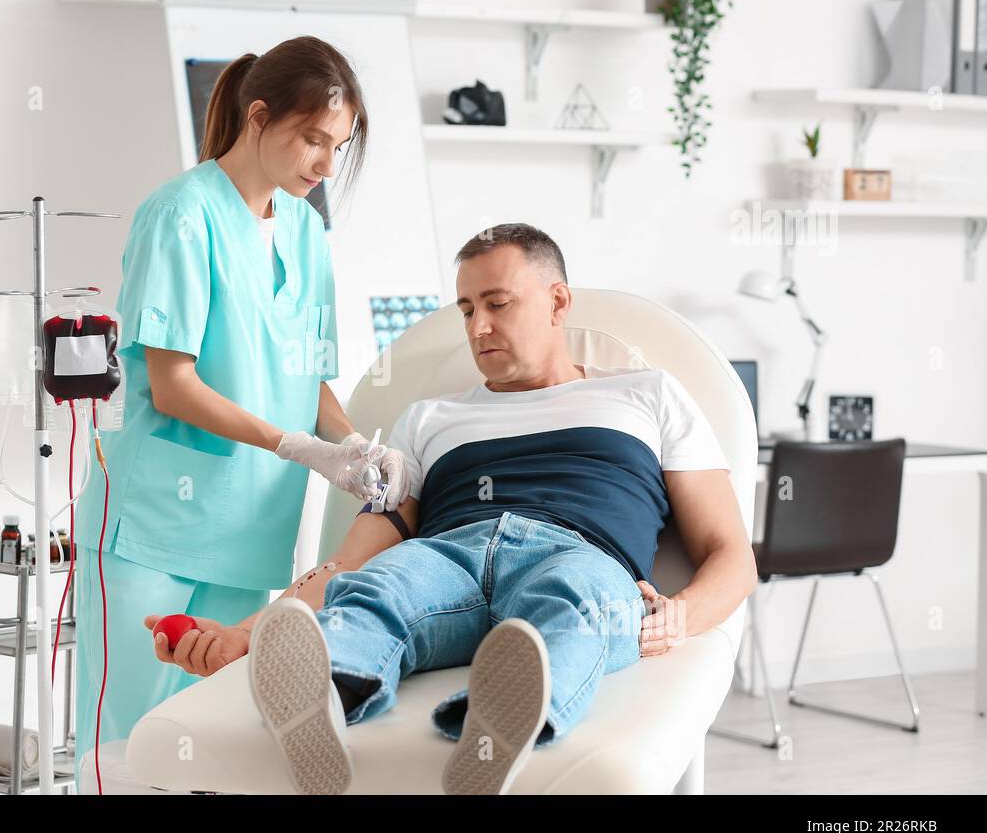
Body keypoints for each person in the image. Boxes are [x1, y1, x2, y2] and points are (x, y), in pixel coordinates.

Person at [149, 222, 757, 794]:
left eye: (498, 304)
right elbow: (347, 565)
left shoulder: (646, 394)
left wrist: (684, 614)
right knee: (377, 594)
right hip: (445, 554)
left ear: (557, 301)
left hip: (579, 553)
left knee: (580, 605)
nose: (477, 328)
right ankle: (322, 702)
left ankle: (494, 726)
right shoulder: (428, 419)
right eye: (467, 310)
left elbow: (731, 553)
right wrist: (246, 636)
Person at [71, 36, 410, 790]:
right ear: (259, 116)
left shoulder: (306, 231)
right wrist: (294, 445)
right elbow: (172, 384)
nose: (325, 164)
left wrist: (351, 443)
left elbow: (308, 375)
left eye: (338, 146)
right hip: (157, 525)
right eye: (313, 139)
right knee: (128, 744)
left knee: (210, 745)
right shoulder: (182, 215)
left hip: (251, 530)